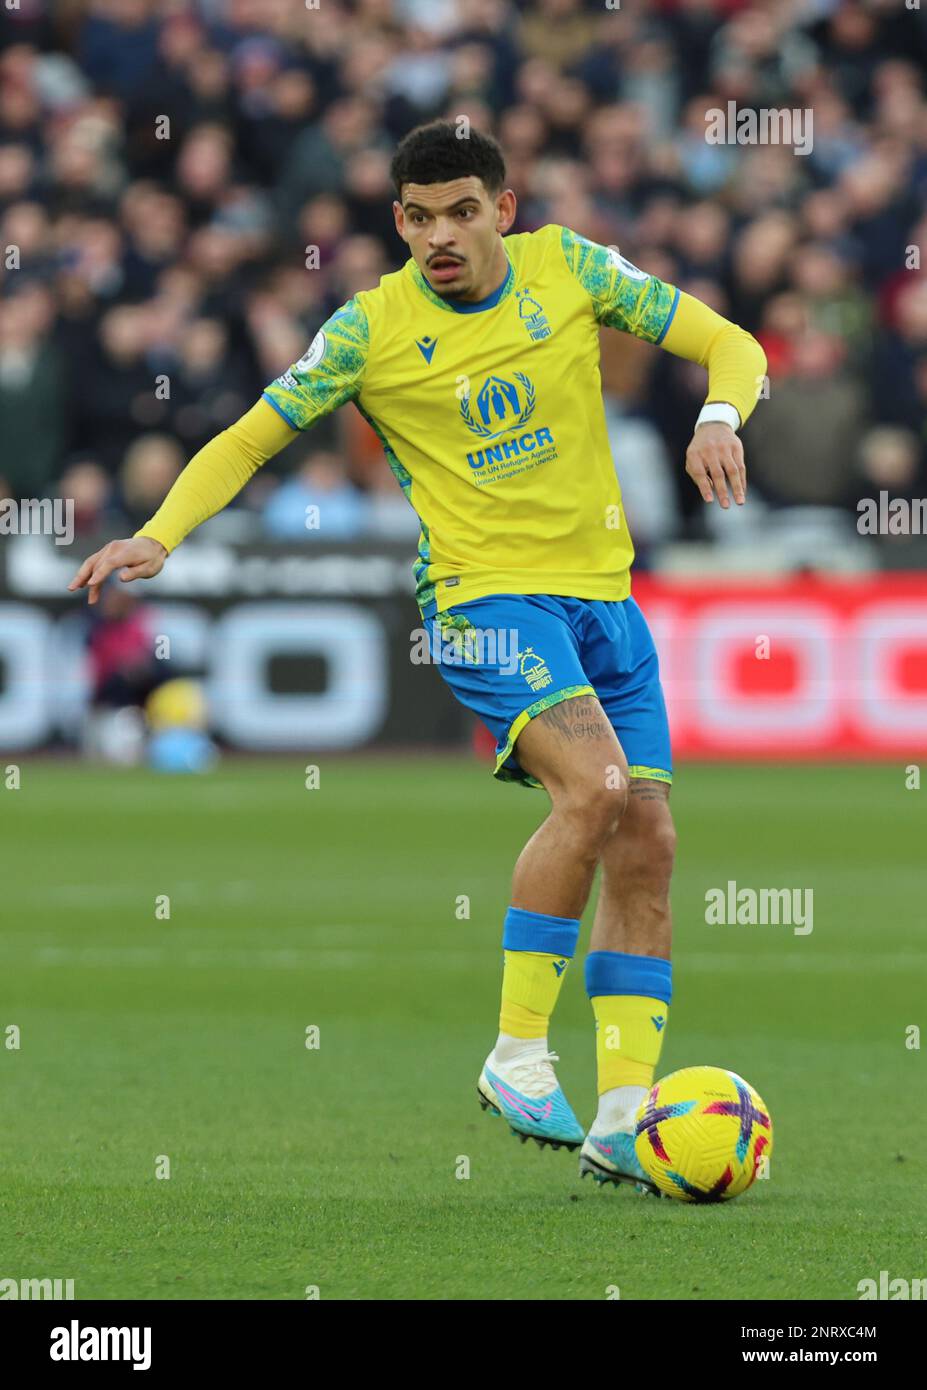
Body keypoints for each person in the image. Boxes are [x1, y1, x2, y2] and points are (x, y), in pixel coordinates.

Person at [69, 122, 766, 1193]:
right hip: (485, 603)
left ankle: (626, 1113)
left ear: (505, 207)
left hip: (603, 604)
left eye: (461, 212)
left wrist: (719, 416)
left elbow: (734, 344)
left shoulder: (571, 267)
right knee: (597, 788)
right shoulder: (368, 331)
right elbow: (252, 435)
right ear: (398, 219)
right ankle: (517, 1052)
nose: (439, 235)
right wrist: (161, 530)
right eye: (418, 216)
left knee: (651, 838)